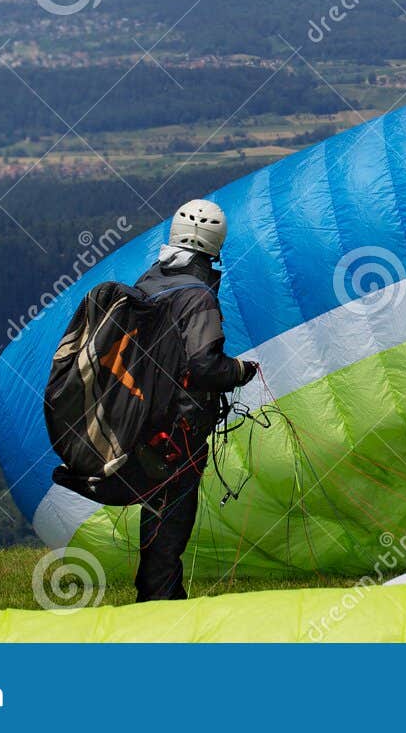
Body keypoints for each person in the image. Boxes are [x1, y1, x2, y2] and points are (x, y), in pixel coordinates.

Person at [132, 198, 257, 603]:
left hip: (143, 423)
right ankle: (159, 609)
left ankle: (157, 600)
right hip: (176, 432)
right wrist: (239, 371)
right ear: (216, 244)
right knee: (170, 523)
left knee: (156, 517)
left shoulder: (148, 281)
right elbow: (203, 365)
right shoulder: (198, 295)